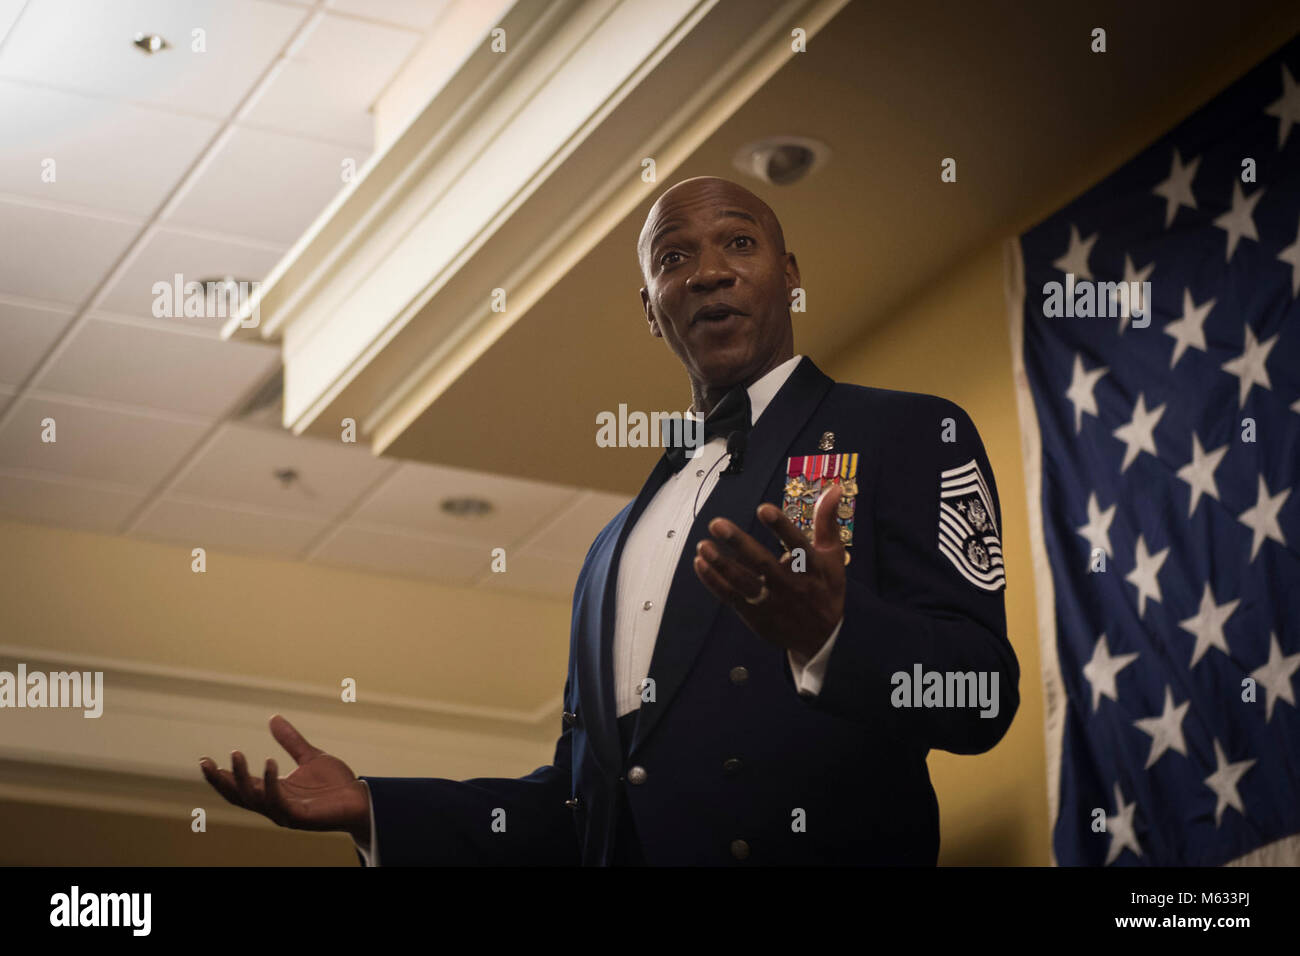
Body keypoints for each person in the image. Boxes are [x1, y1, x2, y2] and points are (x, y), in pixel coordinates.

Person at [200, 176, 1020, 865]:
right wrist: (377, 810)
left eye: (739, 244)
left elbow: (983, 695)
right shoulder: (607, 553)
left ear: (791, 273)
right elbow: (579, 805)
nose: (707, 273)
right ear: (650, 307)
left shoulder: (904, 431)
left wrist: (834, 635)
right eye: (674, 258)